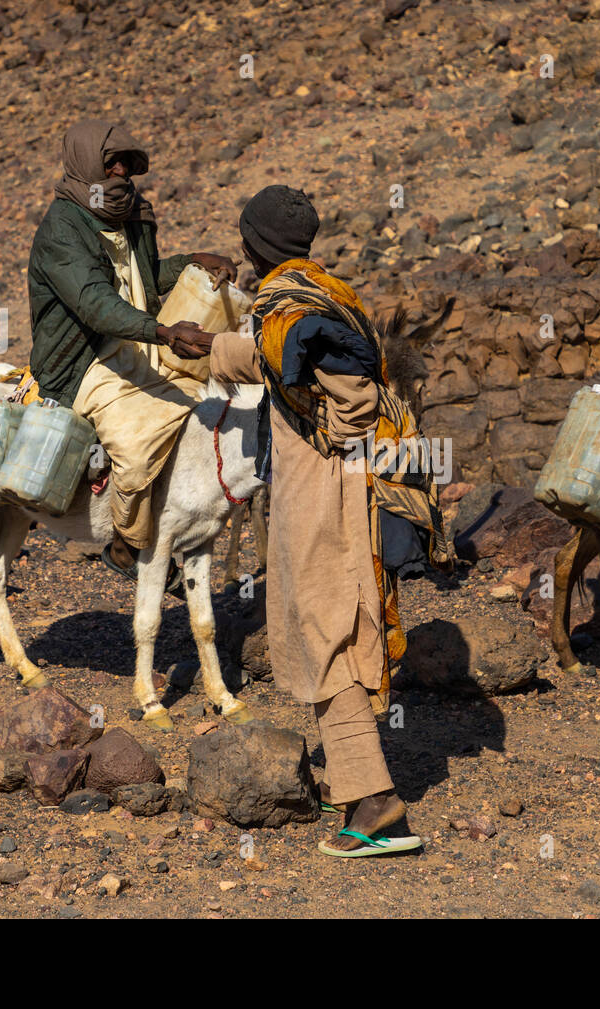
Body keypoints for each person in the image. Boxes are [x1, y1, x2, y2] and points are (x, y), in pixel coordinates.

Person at [208, 185, 449, 856]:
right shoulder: (319, 291)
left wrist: (330, 436)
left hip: (325, 485)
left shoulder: (287, 301)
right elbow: (283, 361)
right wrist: (215, 351)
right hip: (318, 483)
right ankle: (364, 800)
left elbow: (353, 392)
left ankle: (375, 804)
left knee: (329, 627)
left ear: (254, 246)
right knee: (323, 626)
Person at [27, 119, 235, 584]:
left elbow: (141, 278)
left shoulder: (131, 213)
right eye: (111, 162)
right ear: (86, 164)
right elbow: (95, 303)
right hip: (83, 360)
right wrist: (162, 333)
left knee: (207, 405)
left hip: (135, 341)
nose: (122, 171)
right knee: (138, 447)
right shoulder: (62, 230)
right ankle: (126, 545)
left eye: (127, 162)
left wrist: (193, 261)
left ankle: (174, 522)